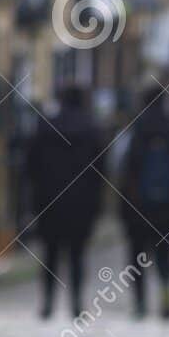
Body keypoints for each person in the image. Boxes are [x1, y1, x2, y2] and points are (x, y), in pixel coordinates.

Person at [23, 85, 106, 320]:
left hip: (49, 201)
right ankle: (76, 303)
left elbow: (30, 167)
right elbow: (101, 173)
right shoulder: (92, 130)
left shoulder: (45, 126)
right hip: (81, 205)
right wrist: (96, 204)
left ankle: (47, 303)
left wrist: (35, 198)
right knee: (77, 256)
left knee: (49, 255)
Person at [115, 85, 169, 319]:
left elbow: (118, 166)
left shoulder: (132, 132)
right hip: (168, 210)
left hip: (137, 208)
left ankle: (140, 305)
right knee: (165, 257)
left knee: (136, 258)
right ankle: (166, 298)